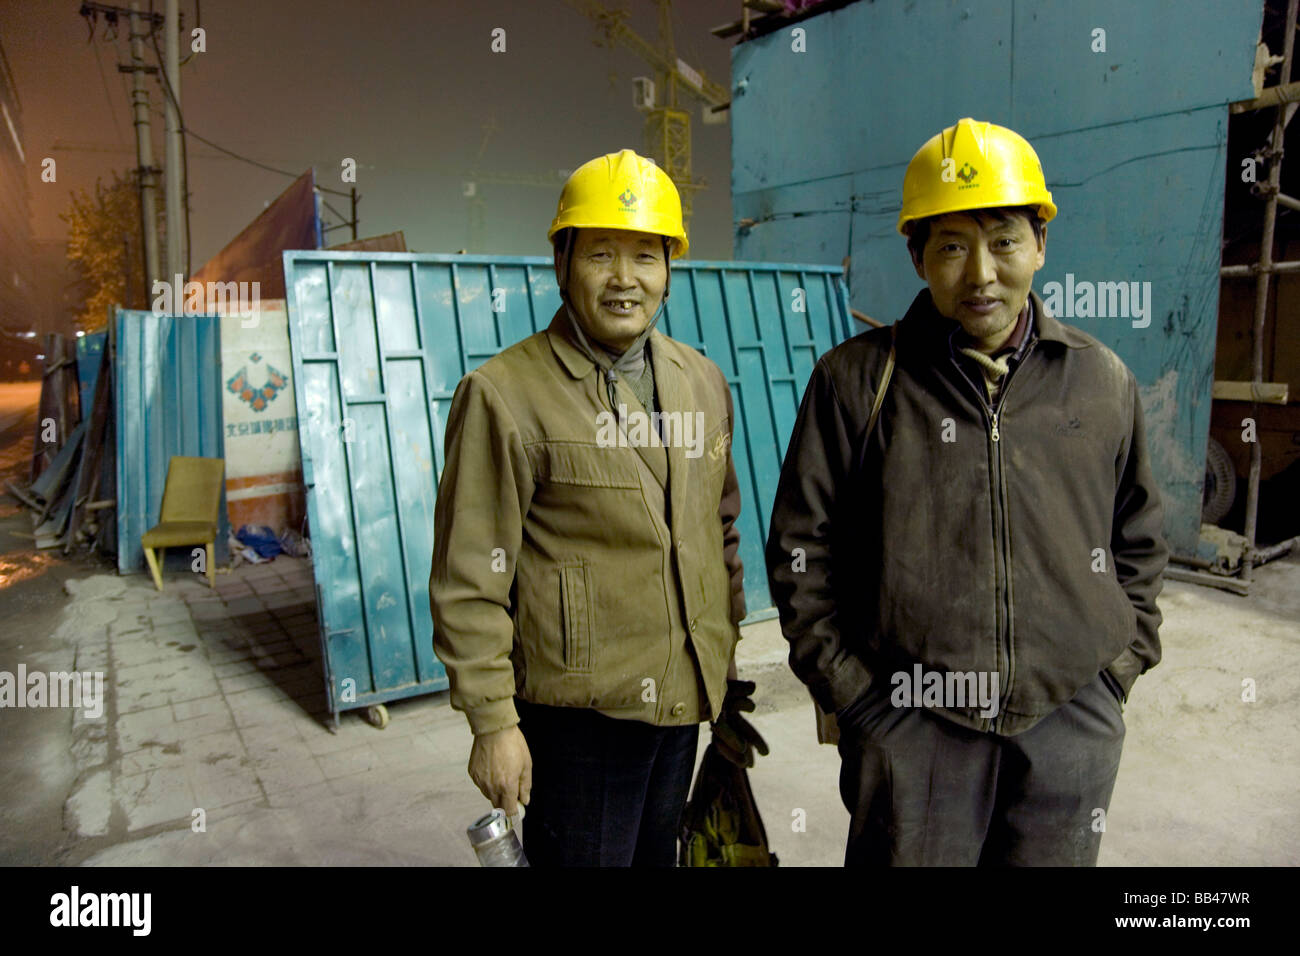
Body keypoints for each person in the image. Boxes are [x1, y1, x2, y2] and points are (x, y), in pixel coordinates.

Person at [766, 118, 1168, 866]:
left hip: (1068, 722)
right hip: (914, 727)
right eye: (952, 245)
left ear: (1041, 245)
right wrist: (856, 698)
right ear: (917, 255)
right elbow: (800, 552)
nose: (981, 273)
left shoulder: (1102, 379)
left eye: (1004, 240)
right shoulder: (856, 382)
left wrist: (1117, 669)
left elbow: (1139, 535)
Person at [430, 149, 766, 867]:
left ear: (669, 269)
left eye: (646, 255)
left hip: (682, 709)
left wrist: (726, 674)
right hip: (578, 724)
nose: (625, 279)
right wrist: (492, 723)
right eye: (602, 254)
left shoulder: (701, 381)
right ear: (562, 261)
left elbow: (720, 532)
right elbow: (469, 580)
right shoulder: (505, 396)